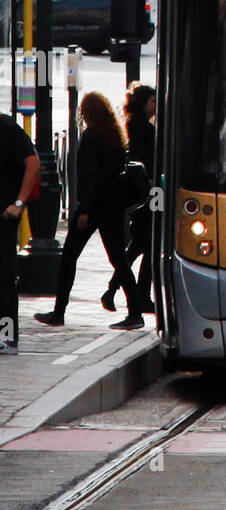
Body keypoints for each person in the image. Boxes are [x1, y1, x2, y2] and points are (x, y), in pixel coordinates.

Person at [35, 91, 144, 331]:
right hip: (113, 207)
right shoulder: (115, 136)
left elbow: (89, 177)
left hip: (93, 207)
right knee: (118, 258)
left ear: (87, 113)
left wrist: (84, 210)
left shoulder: (91, 137)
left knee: (69, 258)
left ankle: (59, 311)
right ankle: (135, 312)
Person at [101, 83, 155, 314]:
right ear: (143, 103)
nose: (155, 106)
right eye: (152, 101)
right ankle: (139, 295)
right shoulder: (143, 127)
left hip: (139, 193)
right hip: (147, 193)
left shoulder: (132, 124)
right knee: (147, 244)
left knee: (140, 244)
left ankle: (115, 290)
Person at [0, 113, 40, 356]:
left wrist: (18, 203)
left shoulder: (5, 127)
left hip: (4, 215)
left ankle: (7, 338)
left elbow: (33, 163)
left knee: (3, 275)